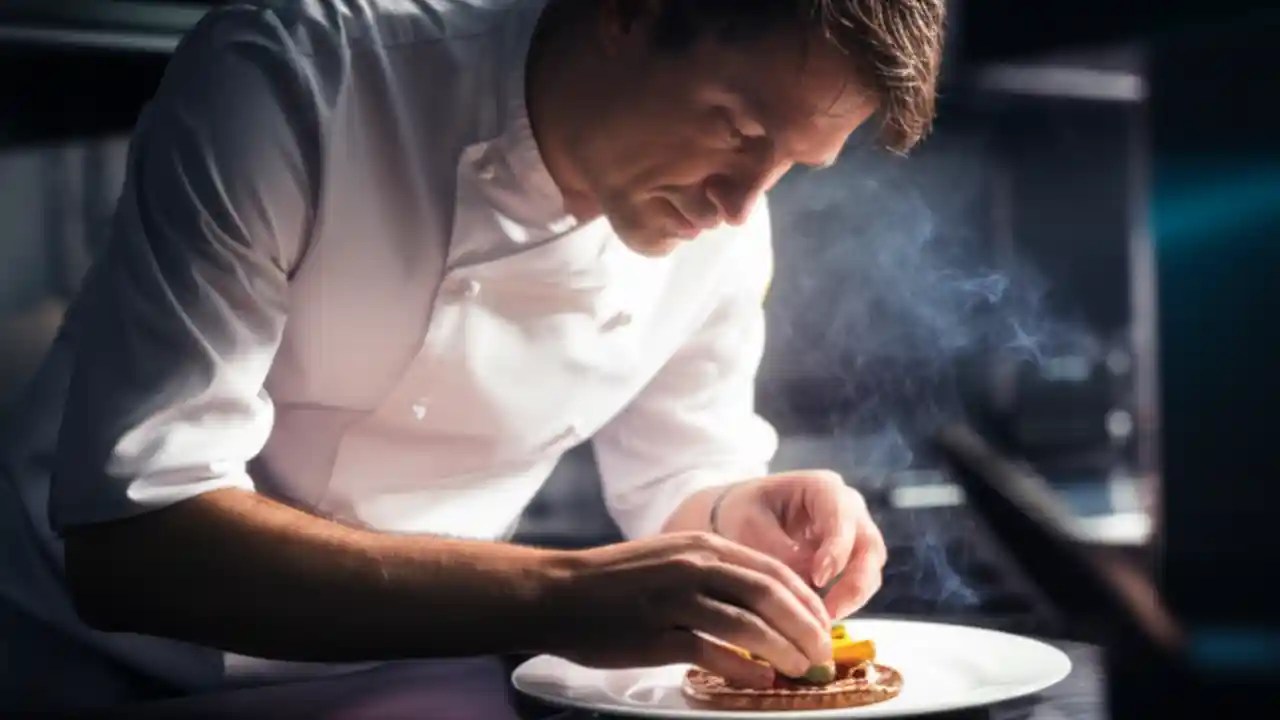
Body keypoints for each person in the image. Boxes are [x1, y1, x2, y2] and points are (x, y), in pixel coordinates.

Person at [0, 0, 946, 712]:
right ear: (627, 11)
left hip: (404, 680)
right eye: (738, 129)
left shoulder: (728, 225)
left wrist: (741, 518)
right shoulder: (292, 82)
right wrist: (560, 596)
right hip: (72, 664)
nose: (744, 205)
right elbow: (133, 544)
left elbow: (681, 473)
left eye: (792, 163)